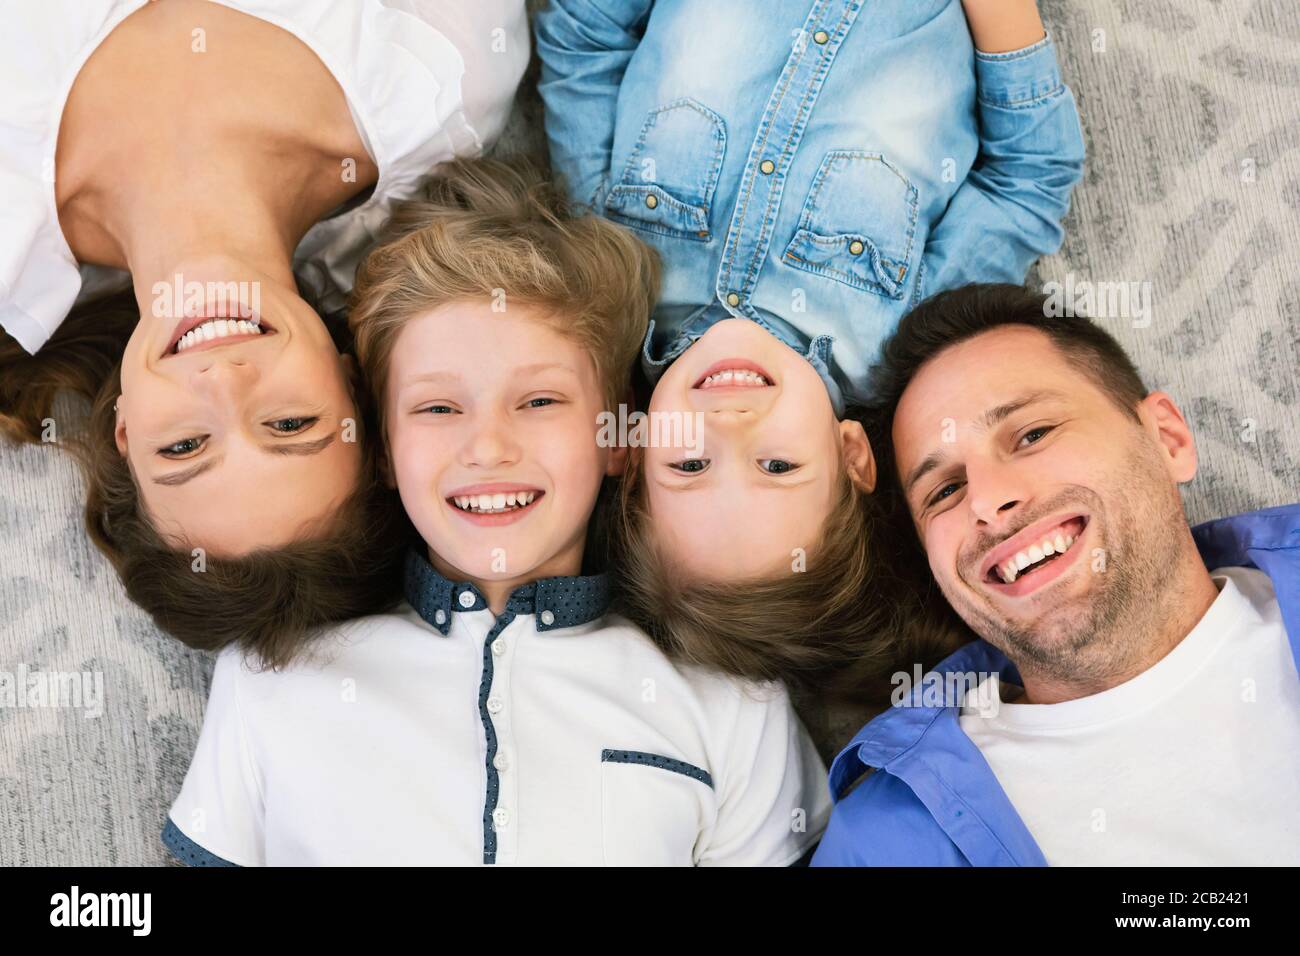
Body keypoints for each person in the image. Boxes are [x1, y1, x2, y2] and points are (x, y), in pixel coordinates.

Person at [161, 158, 830, 866]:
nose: (487, 447)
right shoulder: (271, 675)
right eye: (437, 407)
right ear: (385, 450)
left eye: (539, 402)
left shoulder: (734, 705)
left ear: (619, 436)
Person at [535, 0, 1085, 687]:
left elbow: (582, 44)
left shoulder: (609, 263)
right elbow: (1027, 178)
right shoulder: (909, 335)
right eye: (776, 466)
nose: (731, 427)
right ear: (852, 454)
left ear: (634, 444)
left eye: (691, 464)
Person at [0, 0, 529, 654]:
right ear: (348, 380)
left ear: (125, 429)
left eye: (185, 446)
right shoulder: (442, 82)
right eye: (289, 424)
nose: (224, 380)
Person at [813, 283, 1300, 866]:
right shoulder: (885, 843)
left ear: (1167, 439)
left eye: (1032, 434)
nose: (988, 502)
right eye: (945, 490)